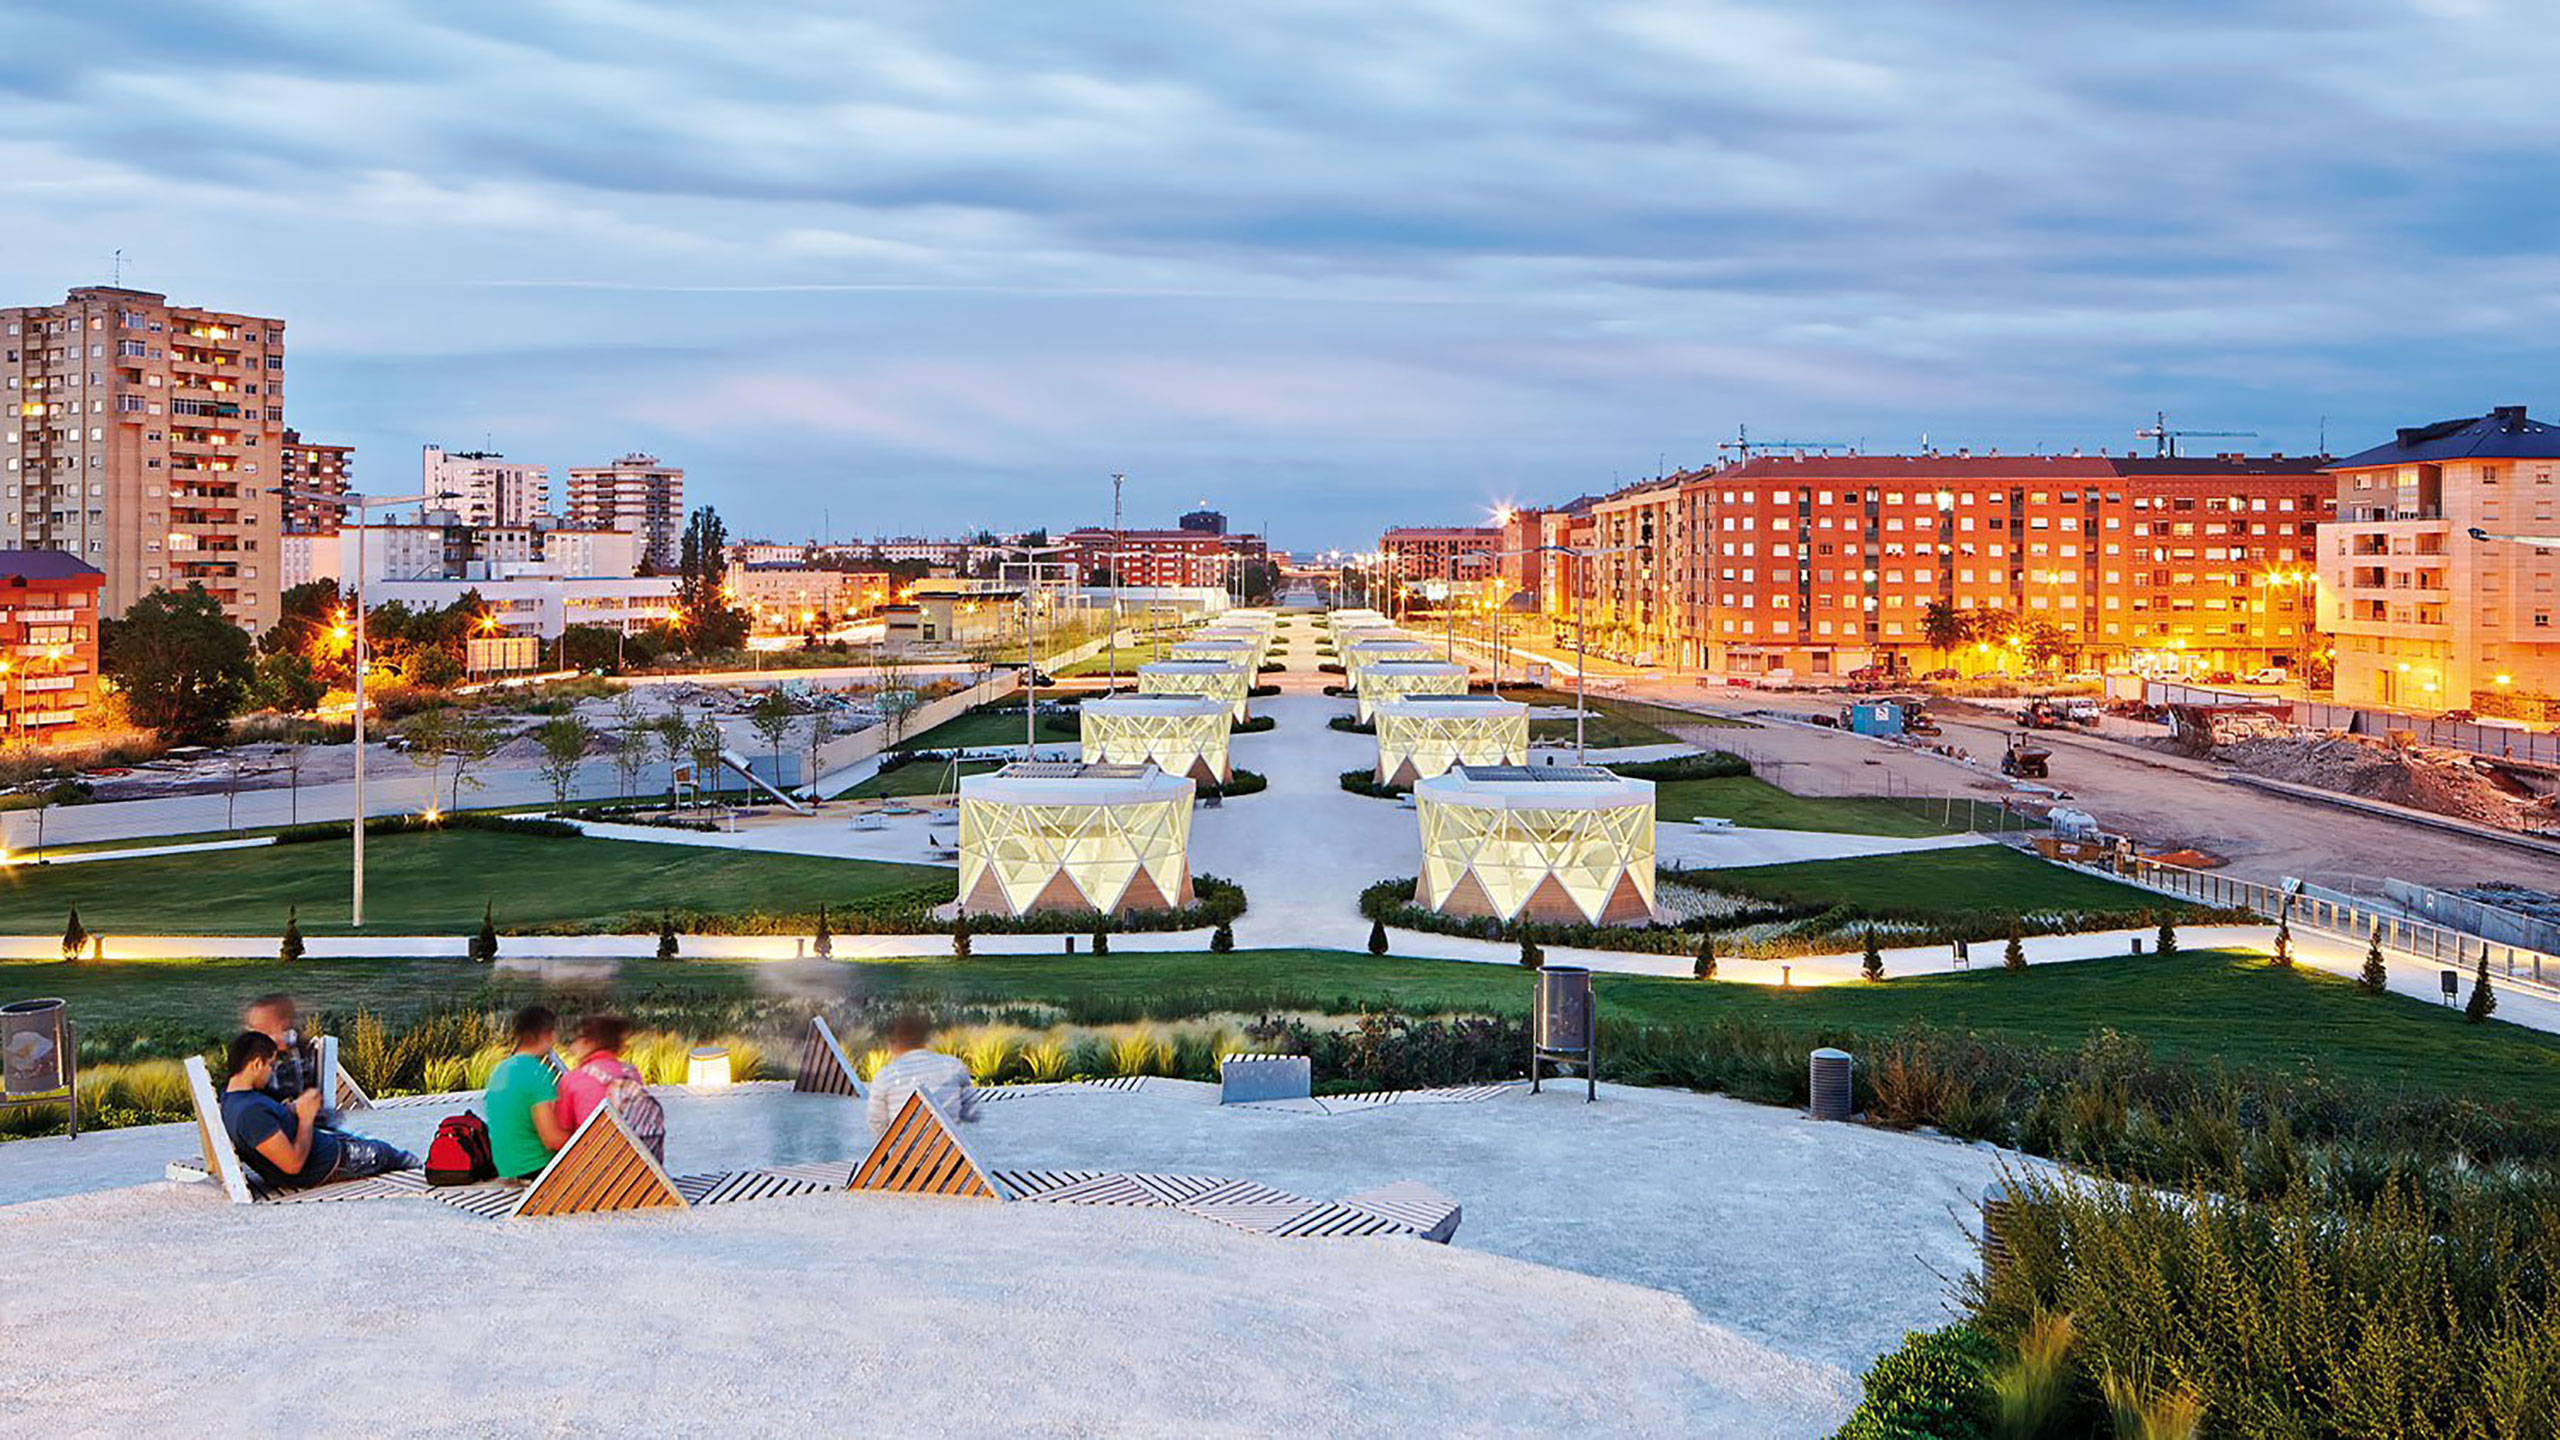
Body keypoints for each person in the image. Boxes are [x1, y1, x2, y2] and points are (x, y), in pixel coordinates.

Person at [219, 1032, 415, 1190]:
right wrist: (305, 1118)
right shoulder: (251, 1115)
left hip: (324, 1147)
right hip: (325, 1165)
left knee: (366, 1139)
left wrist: (292, 1108)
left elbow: (268, 1124)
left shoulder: (233, 1097)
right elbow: (292, 1165)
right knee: (385, 1152)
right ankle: (425, 1171)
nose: (271, 1072)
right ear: (256, 1064)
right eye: (270, 1065)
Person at [559, 1013, 664, 1162]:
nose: (571, 1047)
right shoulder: (631, 1073)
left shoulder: (572, 1080)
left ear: (588, 1042)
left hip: (591, 1169)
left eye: (574, 1041)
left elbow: (563, 1136)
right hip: (634, 1168)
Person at [484, 1005, 571, 1181]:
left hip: (506, 1167)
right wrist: (583, 1139)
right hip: (535, 1168)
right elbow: (551, 1139)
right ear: (546, 1034)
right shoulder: (537, 1073)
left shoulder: (500, 1069)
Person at [864, 1010, 980, 1137]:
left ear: (895, 1044)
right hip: (949, 1154)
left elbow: (876, 1123)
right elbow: (972, 1113)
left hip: (903, 1155)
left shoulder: (886, 1076)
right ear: (926, 1039)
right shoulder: (954, 1066)